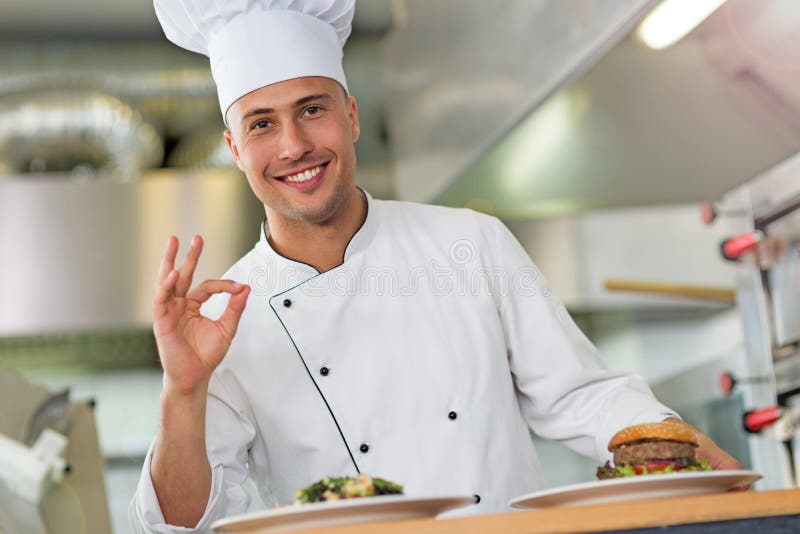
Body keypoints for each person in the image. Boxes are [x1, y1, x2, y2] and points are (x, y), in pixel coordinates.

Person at [130, 0, 742, 531]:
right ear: (234, 147)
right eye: (262, 124)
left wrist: (677, 445)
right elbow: (184, 524)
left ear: (352, 116)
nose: (293, 146)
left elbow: (580, 396)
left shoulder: (470, 244)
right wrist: (182, 388)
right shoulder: (224, 321)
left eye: (312, 109)